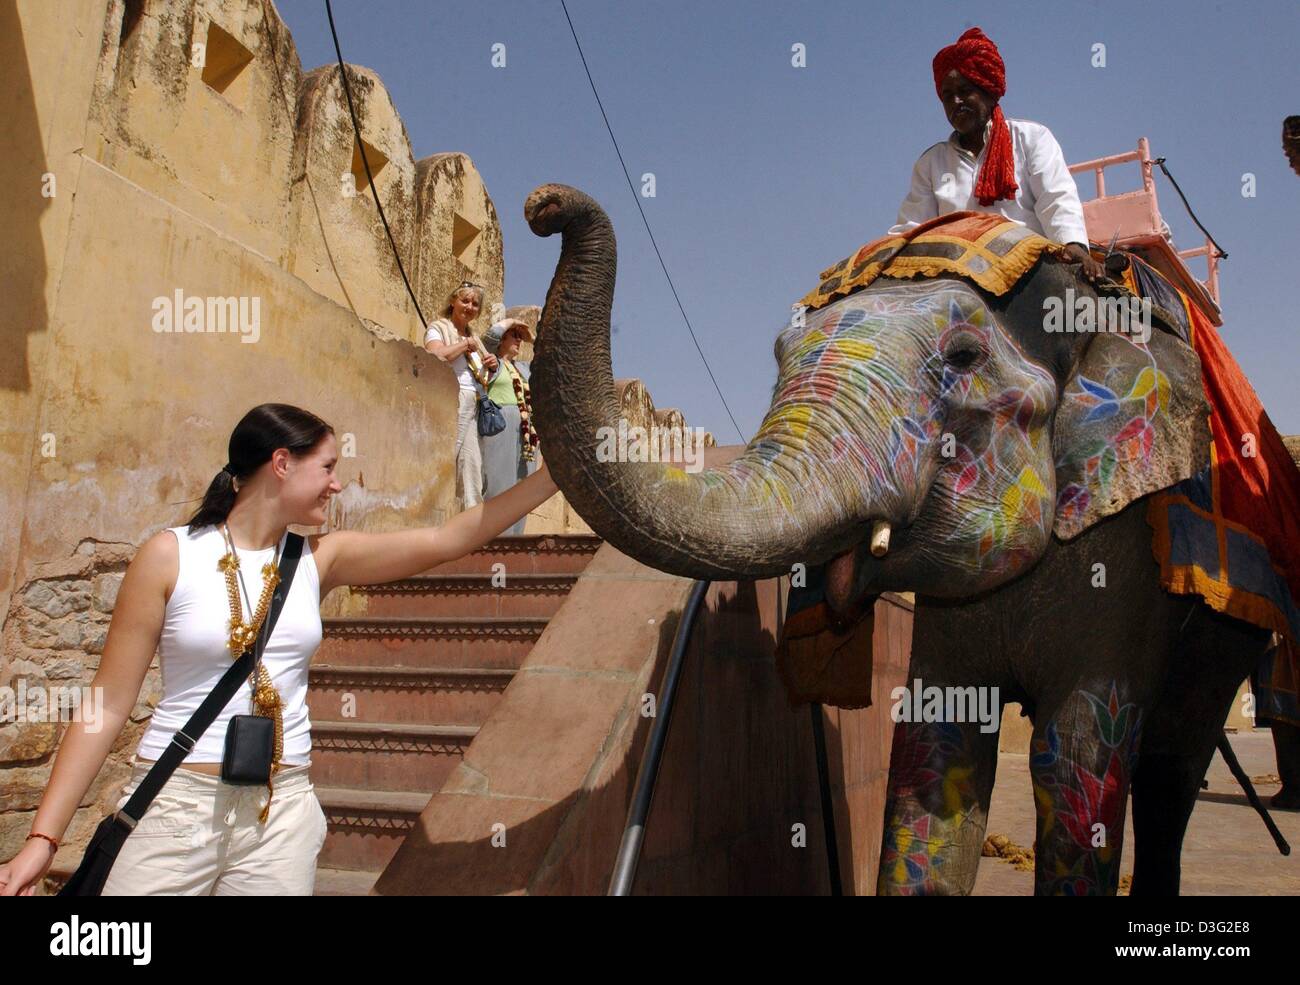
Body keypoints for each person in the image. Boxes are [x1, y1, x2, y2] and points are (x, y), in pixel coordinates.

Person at [0, 403, 558, 895]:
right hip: (176, 803)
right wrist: (43, 839)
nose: (338, 484)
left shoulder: (321, 559)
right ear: (282, 463)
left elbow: (448, 540)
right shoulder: (170, 556)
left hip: (280, 808)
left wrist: (555, 477)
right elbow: (108, 704)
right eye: (328, 467)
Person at [890, 27, 1105, 283]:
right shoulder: (930, 164)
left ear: (989, 92)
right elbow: (912, 230)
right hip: (958, 280)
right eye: (948, 96)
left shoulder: (1031, 139)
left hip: (1030, 275)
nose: (956, 101)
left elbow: (1056, 199)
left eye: (965, 90)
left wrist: (1073, 245)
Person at [423, 283, 501, 510]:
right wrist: (463, 344)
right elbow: (434, 354)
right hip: (452, 399)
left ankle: (470, 523)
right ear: (453, 302)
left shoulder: (474, 337)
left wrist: (492, 365)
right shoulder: (439, 328)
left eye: (475, 304)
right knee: (447, 456)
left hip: (474, 402)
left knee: (472, 465)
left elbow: (482, 374)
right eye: (465, 301)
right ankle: (430, 510)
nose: (469, 307)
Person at [480, 319, 541, 535]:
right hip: (502, 425)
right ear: (502, 339)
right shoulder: (492, 363)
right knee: (500, 486)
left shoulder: (523, 369)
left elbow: (545, 361)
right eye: (513, 335)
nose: (518, 340)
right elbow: (487, 341)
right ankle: (497, 541)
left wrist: (533, 338)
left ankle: (515, 542)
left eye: (520, 336)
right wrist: (511, 322)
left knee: (523, 490)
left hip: (527, 432)